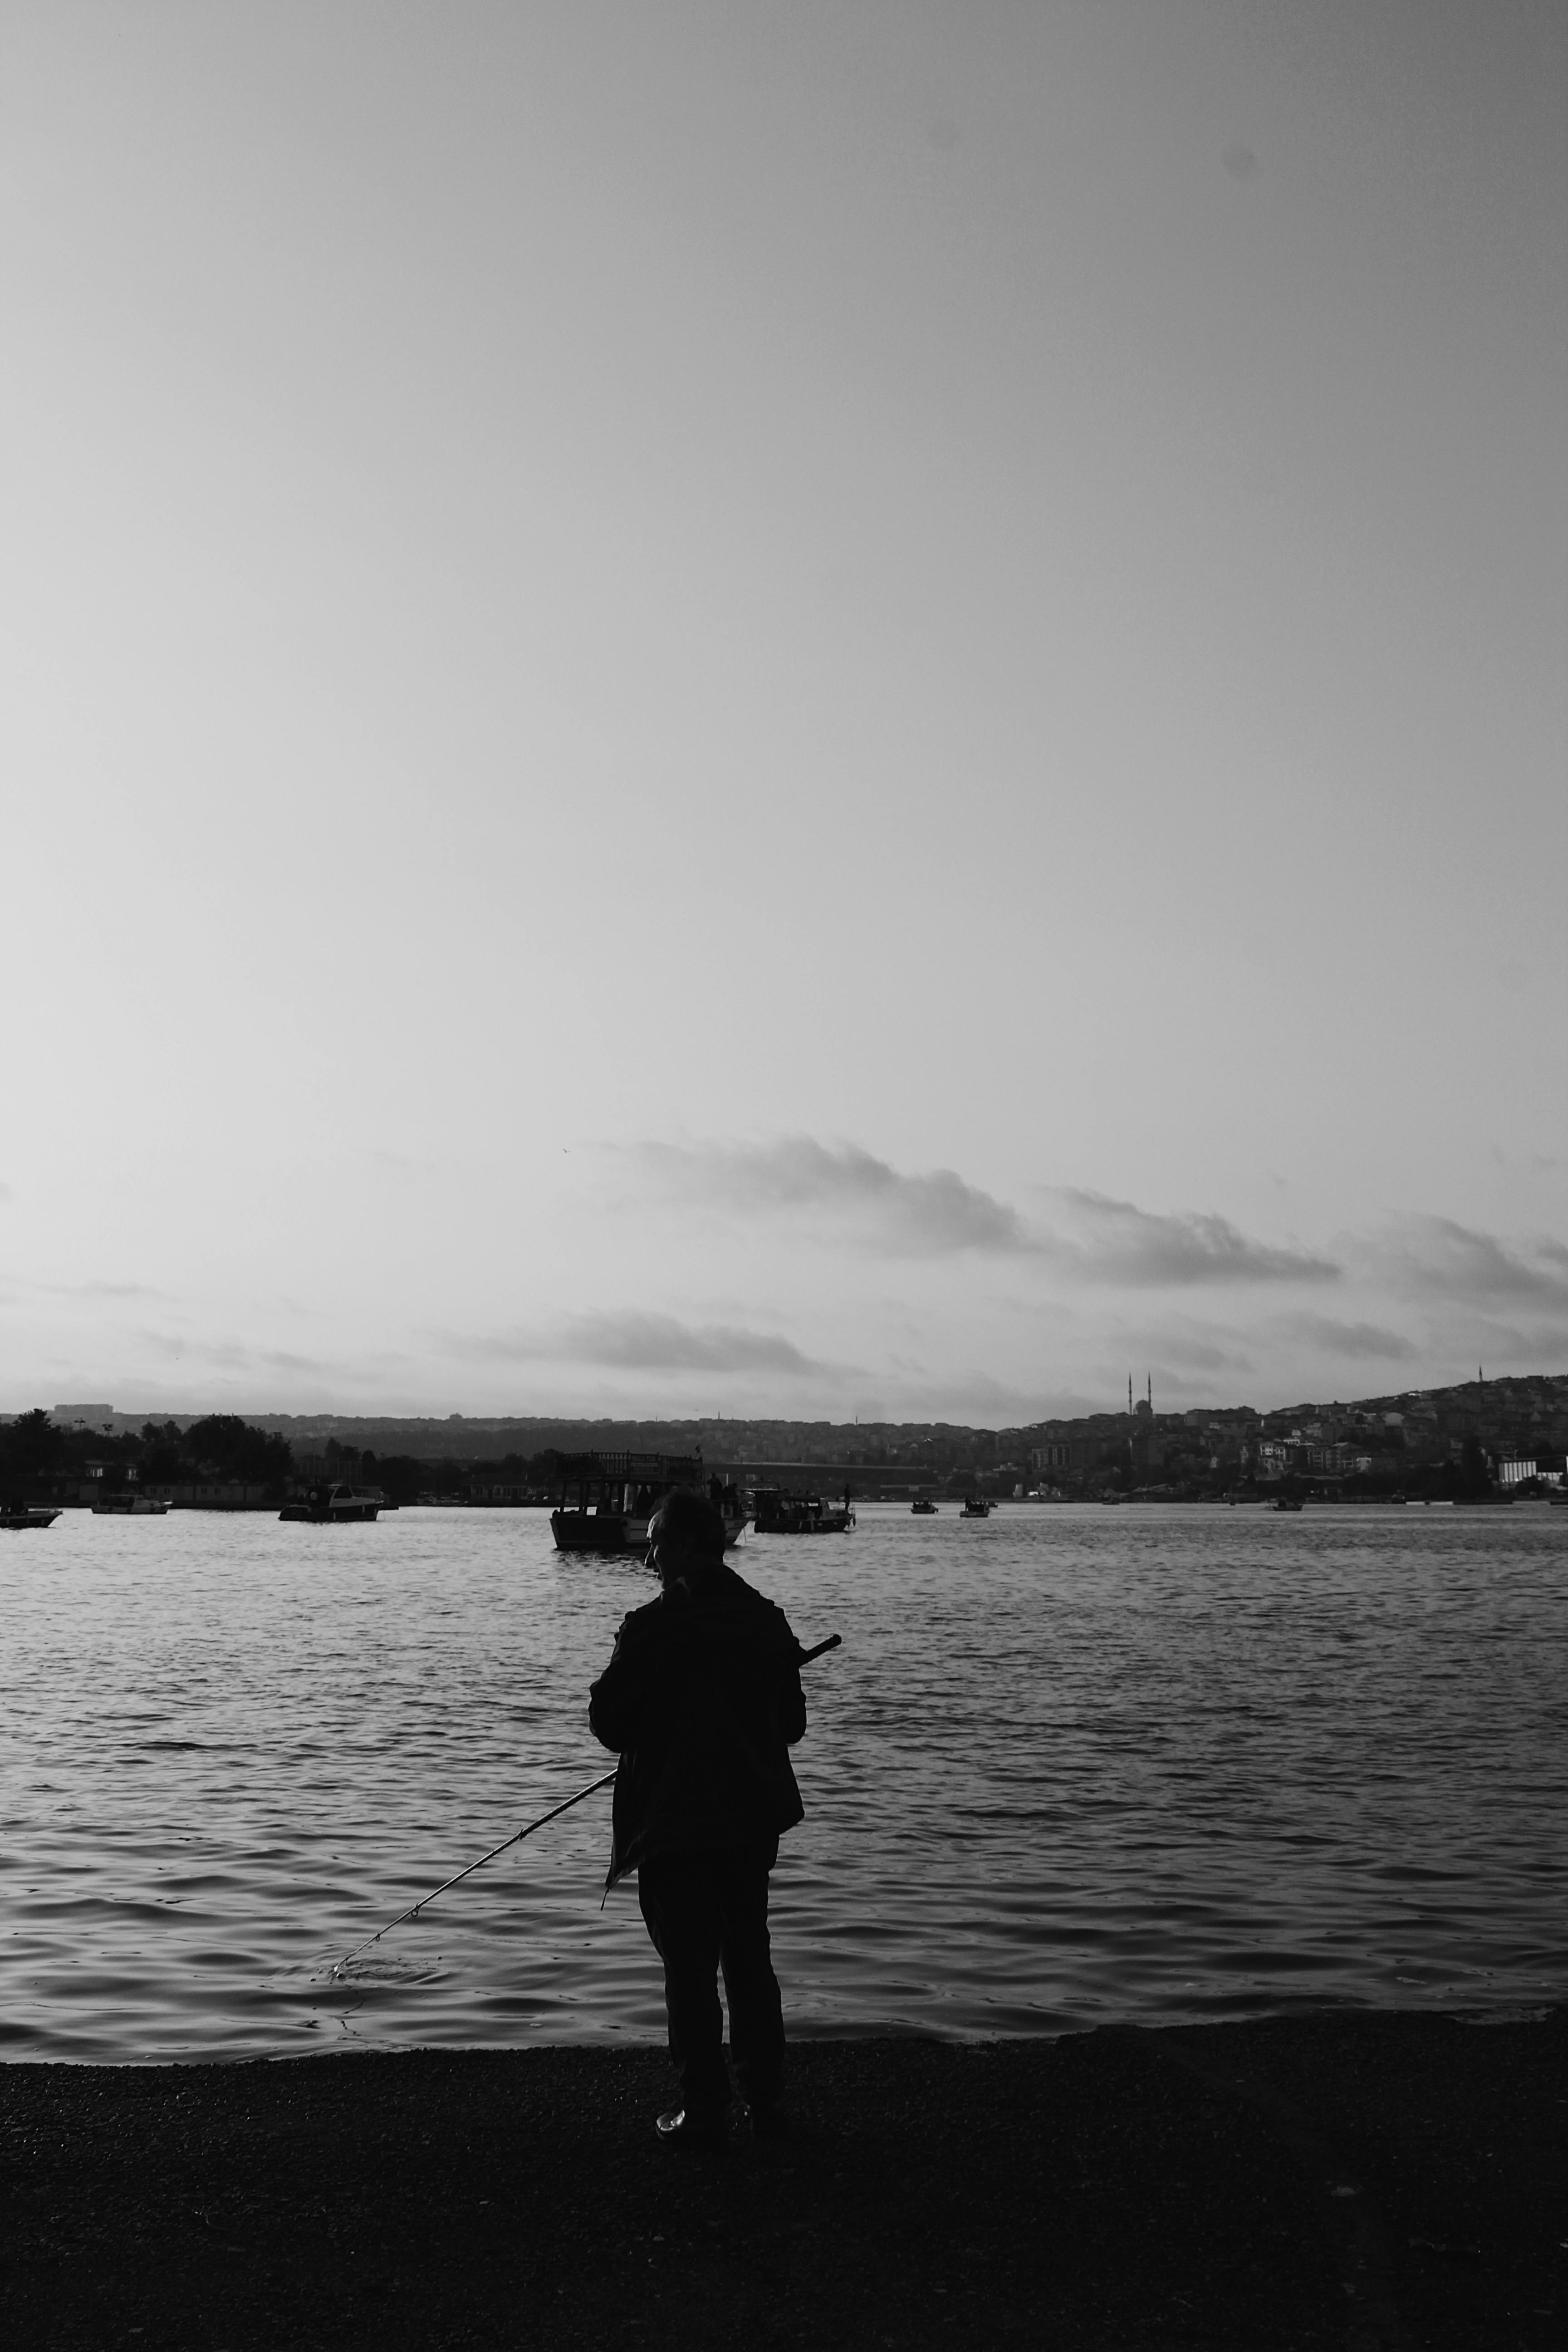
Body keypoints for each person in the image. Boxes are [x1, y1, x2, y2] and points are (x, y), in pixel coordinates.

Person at [588, 1487, 808, 2148]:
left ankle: (704, 2109)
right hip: (748, 1826)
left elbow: (609, 1724)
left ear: (684, 1548)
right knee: (749, 1962)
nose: (649, 1556)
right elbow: (792, 1727)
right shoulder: (766, 1621)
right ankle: (766, 2104)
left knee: (688, 1973)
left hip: (674, 1827)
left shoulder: (654, 1627)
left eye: (656, 1542)